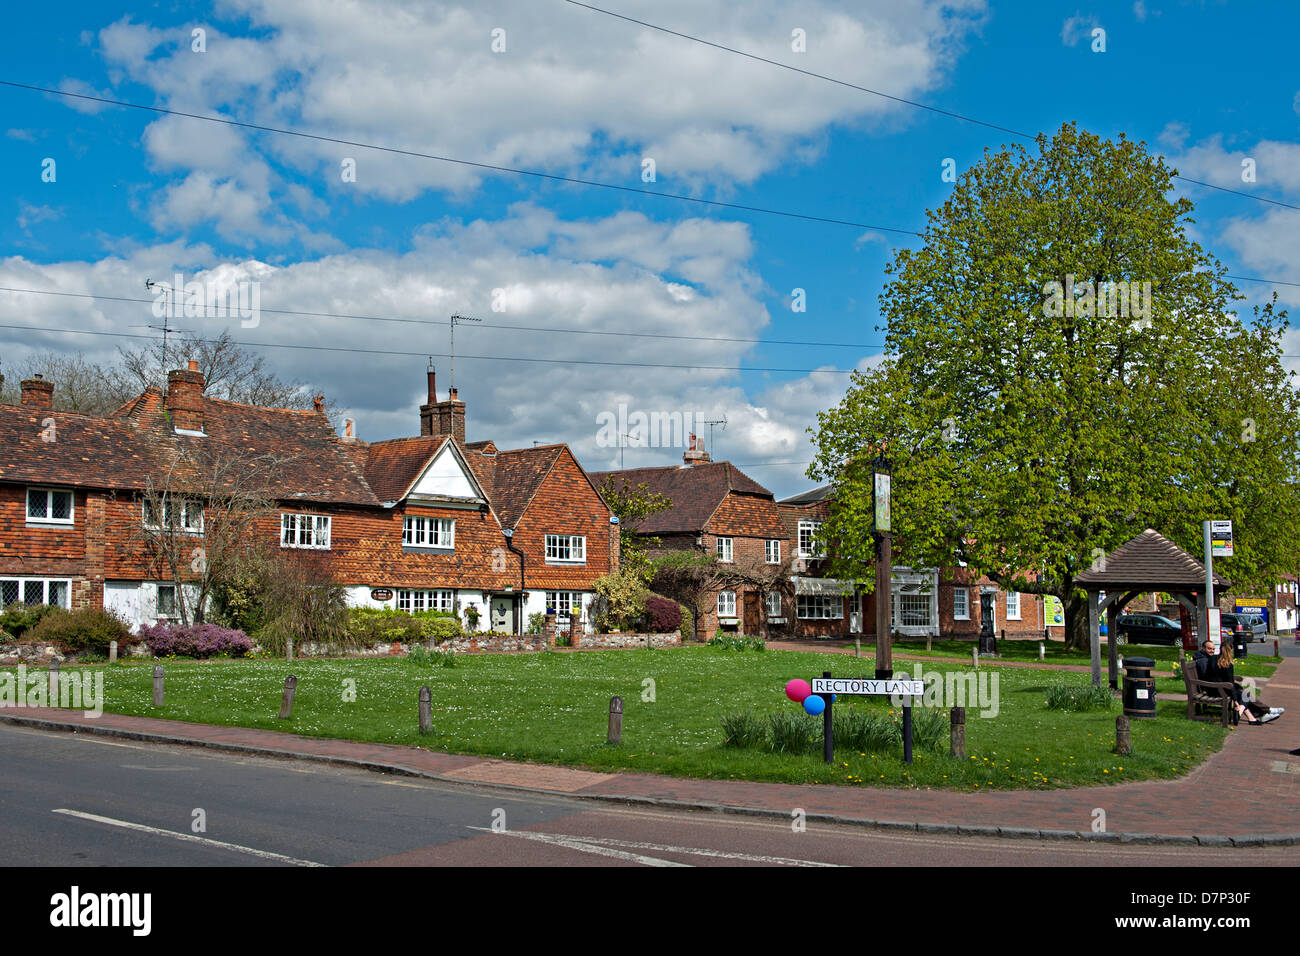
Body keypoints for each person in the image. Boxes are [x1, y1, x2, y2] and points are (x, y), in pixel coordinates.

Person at [1203, 642, 1283, 724]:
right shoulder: (1228, 664)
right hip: (1221, 691)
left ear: (1220, 649)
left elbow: (1214, 677)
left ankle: (1255, 718)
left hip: (1211, 689)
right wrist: (1235, 700)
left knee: (1243, 694)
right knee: (1245, 695)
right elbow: (1230, 683)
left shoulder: (1212, 659)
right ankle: (1241, 712)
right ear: (1231, 651)